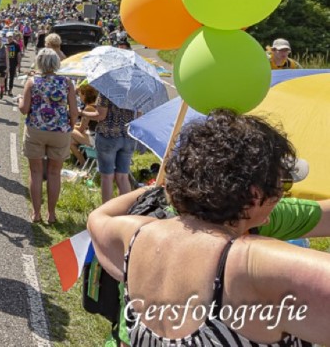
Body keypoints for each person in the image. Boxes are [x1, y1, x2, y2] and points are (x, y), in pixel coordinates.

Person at [87, 110, 330, 345]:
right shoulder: (251, 263)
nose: (281, 197)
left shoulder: (136, 236)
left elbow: (98, 218)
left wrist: (157, 189)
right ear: (255, 195)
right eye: (282, 186)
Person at [17, 48, 78, 225]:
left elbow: (24, 110)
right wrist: (71, 127)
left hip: (36, 129)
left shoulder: (32, 81)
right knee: (54, 173)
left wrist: (20, 99)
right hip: (60, 131)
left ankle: (36, 213)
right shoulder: (67, 82)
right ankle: (51, 214)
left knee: (35, 172)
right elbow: (73, 111)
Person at [83, 86, 137, 202]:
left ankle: (106, 211)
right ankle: (125, 210)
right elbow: (139, 115)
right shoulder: (135, 92)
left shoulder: (107, 89)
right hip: (128, 136)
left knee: (107, 176)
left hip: (108, 135)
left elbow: (100, 115)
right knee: (123, 176)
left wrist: (82, 113)